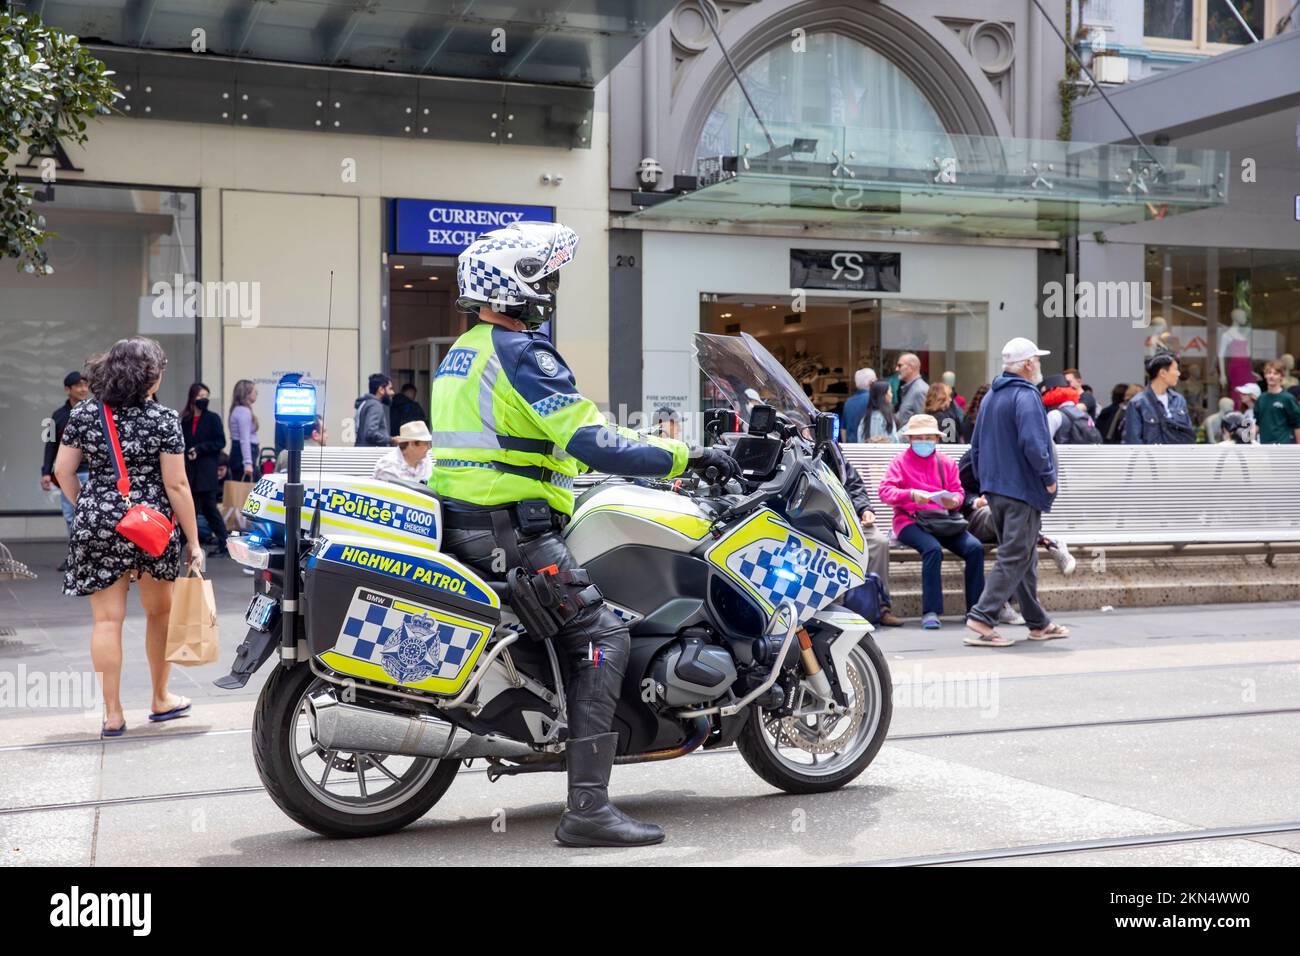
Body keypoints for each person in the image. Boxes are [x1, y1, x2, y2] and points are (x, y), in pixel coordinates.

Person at [429, 220, 739, 848]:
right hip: (513, 531)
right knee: (602, 632)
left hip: (477, 521)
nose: (552, 287)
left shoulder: (466, 352)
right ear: (517, 285)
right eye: (544, 277)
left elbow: (529, 444)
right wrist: (686, 457)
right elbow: (589, 437)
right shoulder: (522, 352)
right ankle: (588, 809)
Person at [52, 337, 202, 737]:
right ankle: (159, 698)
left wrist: (88, 504)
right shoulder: (164, 419)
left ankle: (113, 714)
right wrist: (195, 541)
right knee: (159, 613)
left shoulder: (84, 413)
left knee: (106, 620)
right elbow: (178, 486)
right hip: (151, 526)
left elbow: (62, 470)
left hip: (98, 524)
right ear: (150, 378)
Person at [964, 337, 1068, 647]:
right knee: (1015, 554)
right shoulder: (1027, 396)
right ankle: (982, 617)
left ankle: (1038, 622)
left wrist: (986, 481)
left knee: (1024, 555)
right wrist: (1049, 477)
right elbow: (1035, 443)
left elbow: (976, 446)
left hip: (996, 490)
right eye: (1036, 360)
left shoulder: (992, 396)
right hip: (1021, 489)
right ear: (1026, 364)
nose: (1039, 365)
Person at [877, 415, 985, 630]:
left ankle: (976, 610)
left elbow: (958, 493)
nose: (924, 441)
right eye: (919, 437)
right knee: (932, 549)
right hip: (909, 521)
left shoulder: (946, 463)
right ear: (910, 440)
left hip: (943, 520)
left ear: (936, 439)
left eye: (929, 437)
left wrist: (954, 500)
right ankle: (931, 611)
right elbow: (885, 492)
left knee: (975, 548)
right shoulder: (899, 462)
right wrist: (911, 495)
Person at [839, 457, 902, 627]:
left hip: (847, 521)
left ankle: (881, 607)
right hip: (816, 521)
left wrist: (865, 510)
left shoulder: (832, 453)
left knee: (879, 542)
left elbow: (855, 488)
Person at [42, 371, 92, 570]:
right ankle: (75, 555)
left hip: (91, 473)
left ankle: (91, 556)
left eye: (85, 385)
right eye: (78, 385)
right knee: (71, 517)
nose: (83, 389)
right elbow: (50, 445)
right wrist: (46, 472)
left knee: (90, 515)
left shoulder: (94, 412)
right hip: (66, 474)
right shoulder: (57, 416)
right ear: (67, 390)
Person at [181, 383, 228, 557]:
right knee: (203, 509)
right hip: (191, 471)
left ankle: (222, 542)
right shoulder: (185, 420)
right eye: (201, 396)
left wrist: (200, 449)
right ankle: (223, 542)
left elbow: (220, 442)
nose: (204, 400)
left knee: (205, 508)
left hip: (207, 470)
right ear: (193, 398)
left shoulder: (213, 418)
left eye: (206, 396)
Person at [1123, 353, 1195, 445]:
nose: (1178, 373)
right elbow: (1133, 441)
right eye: (1176, 369)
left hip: (1177, 457)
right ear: (1163, 373)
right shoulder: (1138, 403)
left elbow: (1188, 433)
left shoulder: (1179, 400)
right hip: (1151, 458)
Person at [1041, 374, 1102, 444]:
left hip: (1062, 454)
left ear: (1050, 396)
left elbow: (1044, 442)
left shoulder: (1054, 415)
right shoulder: (1086, 416)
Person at [1255, 361, 1300, 444]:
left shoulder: (1288, 398)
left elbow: (1298, 424)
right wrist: (1248, 440)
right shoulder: (1261, 399)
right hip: (1264, 446)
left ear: (1281, 377)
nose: (1271, 376)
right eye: (1269, 373)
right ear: (1265, 375)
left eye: (1275, 373)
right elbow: (1257, 423)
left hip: (1283, 447)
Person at [228, 379, 260, 479]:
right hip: (243, 456)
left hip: (239, 453)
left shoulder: (237, 409)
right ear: (246, 393)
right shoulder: (243, 411)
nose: (256, 393)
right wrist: (248, 463)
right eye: (254, 391)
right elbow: (244, 439)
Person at [355, 373, 395, 447]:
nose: (393, 392)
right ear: (381, 390)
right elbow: (371, 433)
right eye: (390, 389)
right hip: (371, 456)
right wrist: (391, 440)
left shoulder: (365, 403)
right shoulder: (375, 405)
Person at [840, 368, 877, 443]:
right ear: (870, 382)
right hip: (869, 447)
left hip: (851, 447)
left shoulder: (848, 402)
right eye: (875, 381)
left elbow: (843, 430)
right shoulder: (874, 399)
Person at [893, 353, 929, 427]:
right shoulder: (910, 388)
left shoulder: (920, 390)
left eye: (900, 365)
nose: (896, 369)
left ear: (911, 368)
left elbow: (923, 425)